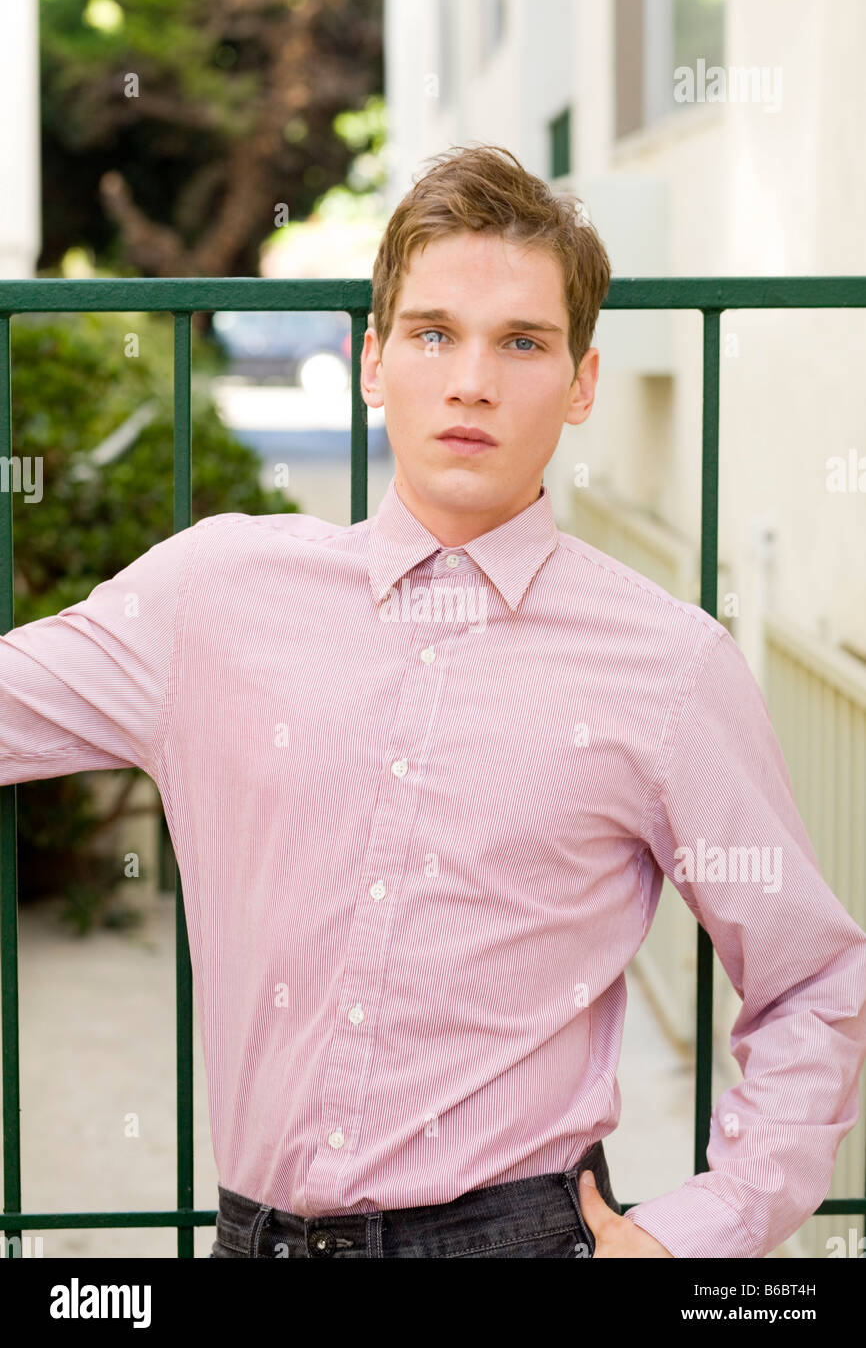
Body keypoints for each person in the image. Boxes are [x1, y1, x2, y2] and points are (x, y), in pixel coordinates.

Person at [2, 142, 865, 1259]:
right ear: (372, 362)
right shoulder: (211, 596)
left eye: (521, 342)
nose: (471, 380)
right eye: (431, 334)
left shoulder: (667, 664)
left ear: (582, 382)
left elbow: (813, 978)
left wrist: (703, 1227)